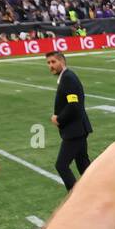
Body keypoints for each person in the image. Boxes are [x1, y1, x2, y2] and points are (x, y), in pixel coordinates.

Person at [47, 51, 93, 191]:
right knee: (83, 163)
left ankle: (75, 197)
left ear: (62, 61)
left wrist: (59, 119)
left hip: (75, 130)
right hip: (78, 128)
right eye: (48, 63)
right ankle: (96, 189)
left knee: (61, 165)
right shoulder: (66, 77)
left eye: (54, 62)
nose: (51, 66)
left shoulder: (68, 78)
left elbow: (74, 105)